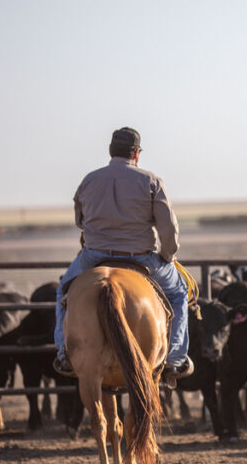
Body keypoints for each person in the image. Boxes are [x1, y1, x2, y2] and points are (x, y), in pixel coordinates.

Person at [52, 127, 192, 387]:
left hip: (94, 258)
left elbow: (79, 220)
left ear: (110, 151)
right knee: (179, 292)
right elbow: (169, 230)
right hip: (142, 258)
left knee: (64, 291)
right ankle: (175, 357)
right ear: (136, 154)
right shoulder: (152, 181)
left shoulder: (89, 180)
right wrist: (167, 256)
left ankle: (63, 353)